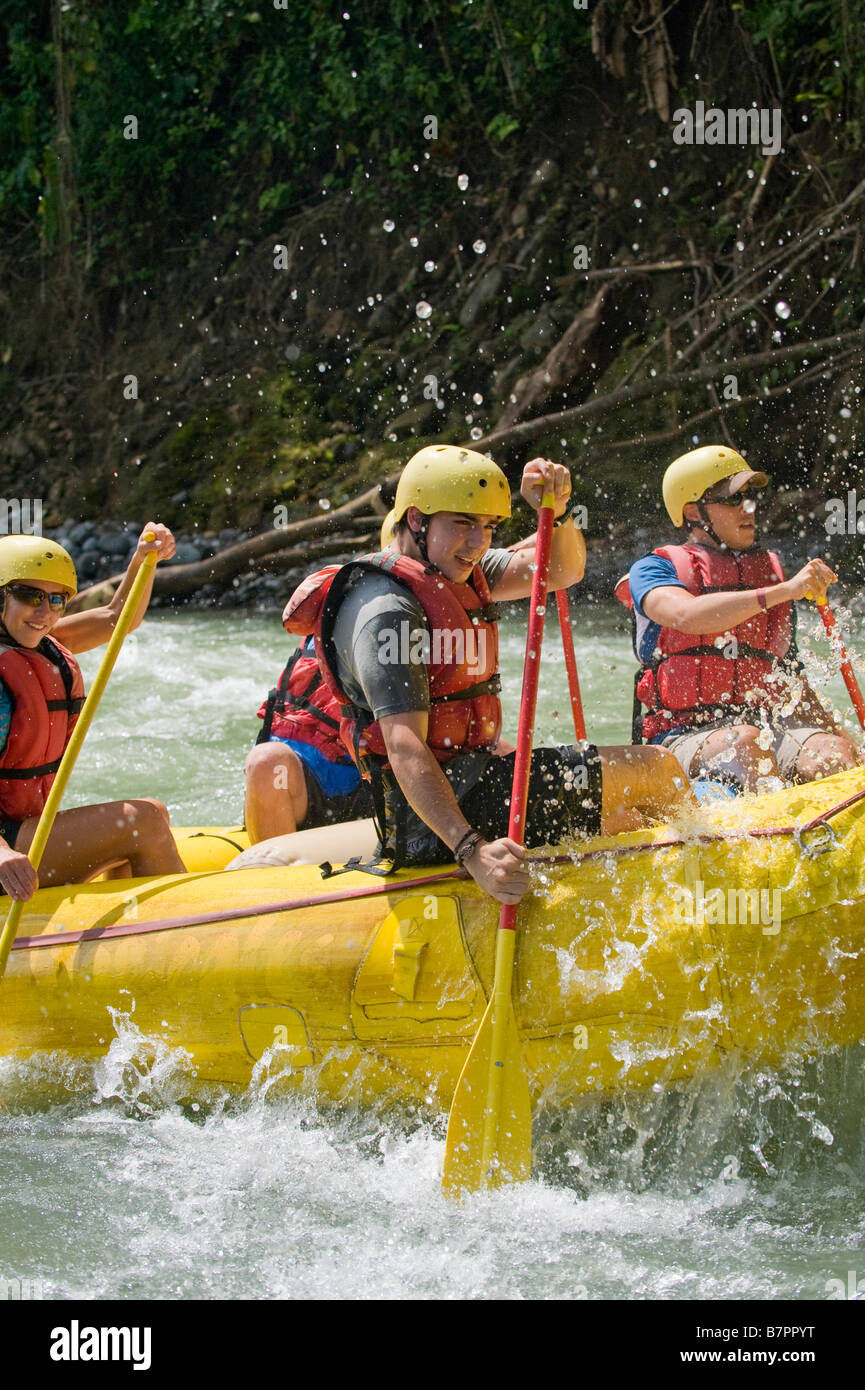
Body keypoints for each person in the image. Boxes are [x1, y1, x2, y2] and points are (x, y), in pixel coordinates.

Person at [280, 444, 690, 904]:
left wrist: (556, 511)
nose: (478, 542)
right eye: (463, 523)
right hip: (441, 819)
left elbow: (560, 569)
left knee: (634, 817)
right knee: (659, 771)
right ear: (416, 519)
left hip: (479, 783)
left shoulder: (457, 571)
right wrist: (472, 850)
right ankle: (706, 891)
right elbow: (403, 744)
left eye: (490, 527)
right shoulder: (386, 610)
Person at [616, 444, 862, 791]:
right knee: (747, 744)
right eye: (733, 499)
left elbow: (791, 680)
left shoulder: (769, 575)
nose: (749, 509)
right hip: (680, 741)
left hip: (765, 729)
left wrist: (849, 745)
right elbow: (686, 615)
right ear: (693, 512)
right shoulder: (654, 569)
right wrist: (783, 592)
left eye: (749, 497)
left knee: (833, 754)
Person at [0, 527, 188, 900]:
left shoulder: (42, 646)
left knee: (155, 811)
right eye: (29, 596)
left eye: (57, 600)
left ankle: (128, 942)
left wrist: (142, 559)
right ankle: (191, 930)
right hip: (5, 853)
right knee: (141, 823)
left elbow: (118, 617)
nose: (45, 612)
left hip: (21, 831)